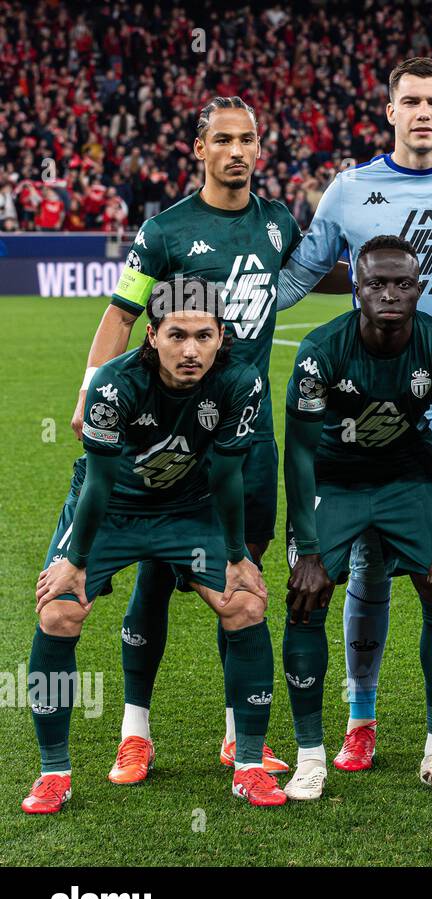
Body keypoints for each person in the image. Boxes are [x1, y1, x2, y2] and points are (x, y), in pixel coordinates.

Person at [278, 57, 432, 772]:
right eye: (409, 100)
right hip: (366, 391)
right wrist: (229, 319)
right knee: (367, 560)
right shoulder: (350, 189)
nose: (422, 112)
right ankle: (361, 717)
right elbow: (298, 273)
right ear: (389, 110)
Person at [71, 97, 299, 782]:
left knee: (241, 576)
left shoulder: (280, 223)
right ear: (197, 149)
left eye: (248, 140)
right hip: (170, 440)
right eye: (222, 140)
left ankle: (238, 734)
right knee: (154, 576)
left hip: (248, 437)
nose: (237, 151)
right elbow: (122, 311)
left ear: (261, 148)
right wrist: (90, 394)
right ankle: (134, 731)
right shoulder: (164, 231)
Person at [24, 278, 283, 813]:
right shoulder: (115, 384)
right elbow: (97, 482)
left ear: (221, 336)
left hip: (188, 508)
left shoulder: (240, 382)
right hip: (112, 509)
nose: (190, 350)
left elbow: (230, 477)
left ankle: (250, 764)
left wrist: (236, 556)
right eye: (177, 335)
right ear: (152, 334)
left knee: (245, 605)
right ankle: (54, 772)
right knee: (58, 615)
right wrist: (73, 564)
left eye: (204, 336)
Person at [279, 236, 432, 798]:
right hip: (335, 480)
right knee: (306, 595)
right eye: (375, 284)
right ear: (356, 291)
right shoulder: (321, 349)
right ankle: (311, 755)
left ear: (420, 287)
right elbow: (297, 454)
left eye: (402, 283)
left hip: (409, 478)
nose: (389, 294)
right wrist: (311, 551)